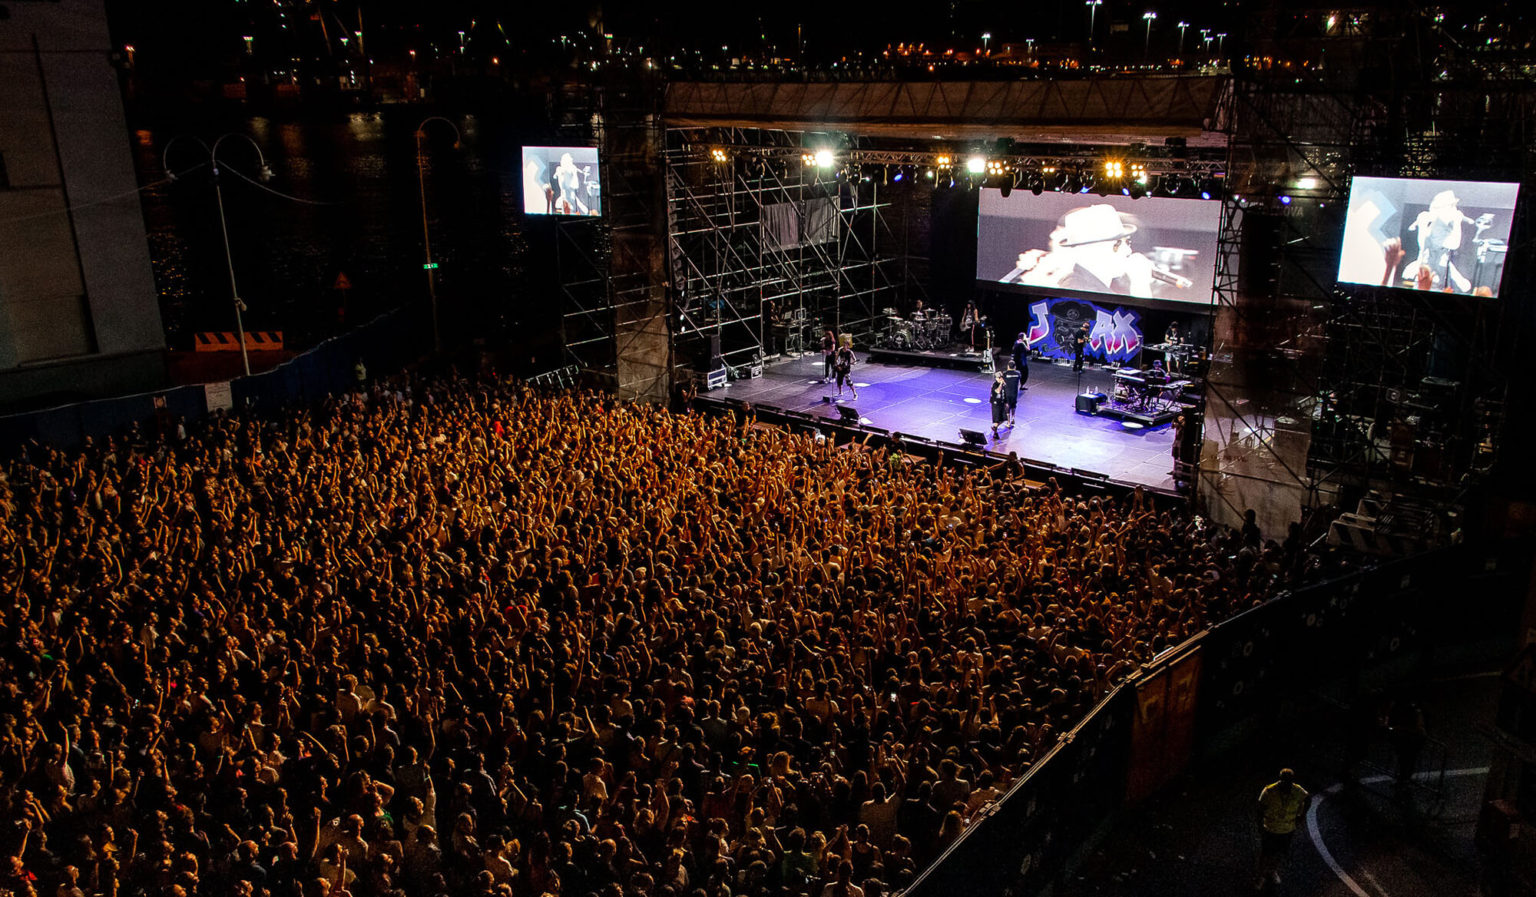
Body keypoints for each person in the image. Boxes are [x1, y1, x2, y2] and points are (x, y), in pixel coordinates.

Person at [1256, 769, 1309, 888]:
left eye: (1289, 783)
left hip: (1287, 829)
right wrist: (1260, 827)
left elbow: (1308, 799)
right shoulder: (1269, 791)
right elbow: (1259, 810)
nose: (1287, 786)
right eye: (1285, 783)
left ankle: (1272, 871)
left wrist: (1302, 815)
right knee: (1266, 853)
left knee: (1279, 853)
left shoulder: (1297, 790)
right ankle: (1261, 876)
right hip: (1271, 829)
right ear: (1280, 781)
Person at [989, 373, 1007, 437]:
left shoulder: (1004, 384)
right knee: (997, 419)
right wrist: (1001, 384)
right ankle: (995, 433)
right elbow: (998, 391)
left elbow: (1004, 393)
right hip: (995, 403)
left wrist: (1006, 402)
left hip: (1001, 402)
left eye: (1001, 377)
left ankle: (995, 427)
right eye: (998, 378)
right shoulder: (995, 384)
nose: (1000, 379)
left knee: (1004, 418)